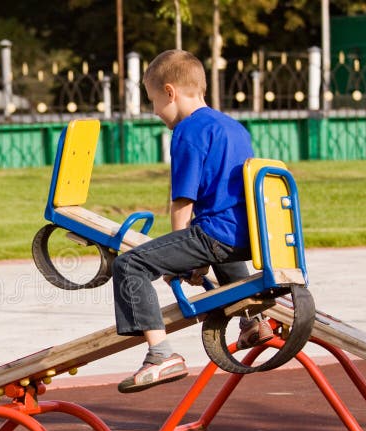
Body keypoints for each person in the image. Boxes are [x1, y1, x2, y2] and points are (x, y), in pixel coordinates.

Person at [113, 49, 272, 394]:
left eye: (154, 101)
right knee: (217, 245)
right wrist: (197, 260)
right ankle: (253, 321)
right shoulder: (233, 127)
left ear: (170, 92)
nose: (155, 111)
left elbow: (183, 199)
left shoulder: (188, 131)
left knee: (129, 264)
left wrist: (179, 255)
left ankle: (160, 354)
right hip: (248, 238)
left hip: (215, 234)